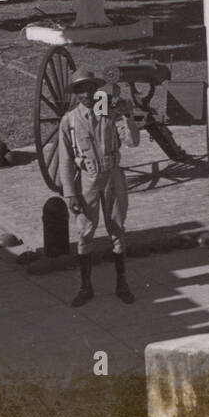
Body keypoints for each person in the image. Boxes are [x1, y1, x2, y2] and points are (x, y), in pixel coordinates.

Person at [57, 68, 140, 307]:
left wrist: (128, 116)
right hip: (87, 180)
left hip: (112, 176)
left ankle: (122, 284)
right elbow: (65, 160)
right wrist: (70, 193)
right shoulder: (69, 121)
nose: (87, 94)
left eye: (91, 89)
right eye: (81, 90)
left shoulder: (110, 114)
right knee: (85, 232)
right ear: (75, 94)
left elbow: (132, 142)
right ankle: (85, 287)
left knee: (117, 228)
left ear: (97, 90)